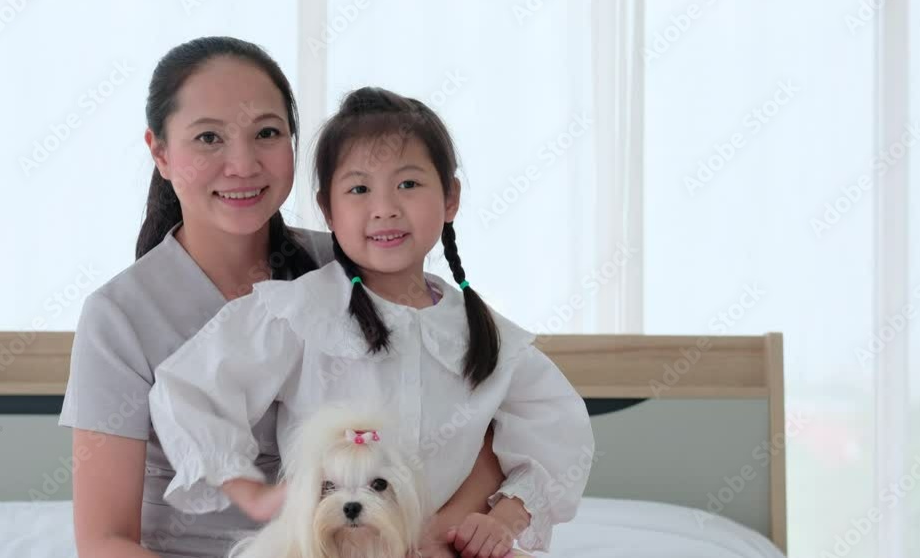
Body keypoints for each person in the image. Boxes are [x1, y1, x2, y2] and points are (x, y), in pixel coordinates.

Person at [59, 37, 504, 558]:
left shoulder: (352, 266)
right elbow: (103, 541)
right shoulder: (119, 315)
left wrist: (434, 534)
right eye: (208, 138)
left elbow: (488, 413)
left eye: (267, 132)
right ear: (160, 152)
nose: (243, 164)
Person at [148, 86, 595, 557]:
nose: (385, 208)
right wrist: (251, 493)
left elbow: (558, 434)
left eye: (408, 184)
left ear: (450, 198)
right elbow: (190, 386)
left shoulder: (490, 335)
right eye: (359, 189)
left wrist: (503, 517)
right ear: (328, 209)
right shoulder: (299, 313)